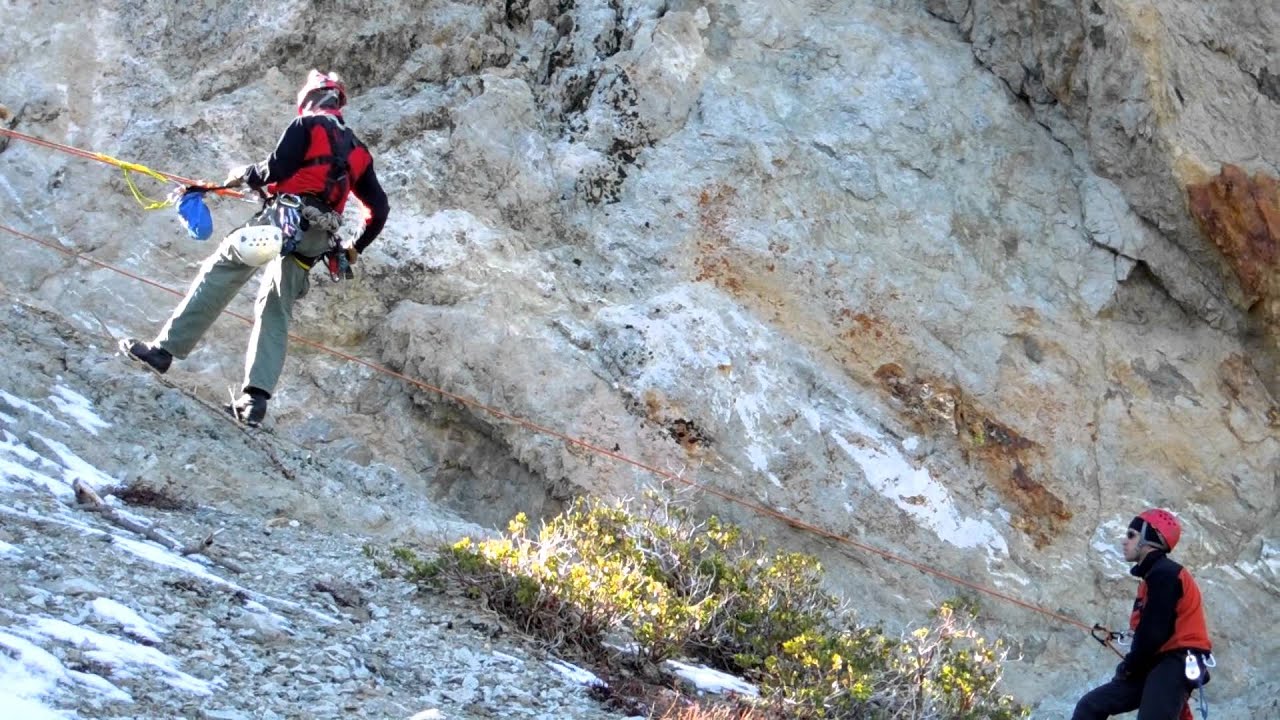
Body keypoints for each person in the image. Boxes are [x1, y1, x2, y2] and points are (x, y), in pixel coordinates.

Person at [122, 70, 390, 426]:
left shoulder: (306, 126)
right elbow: (380, 209)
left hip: (282, 220)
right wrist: (355, 247)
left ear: (309, 100)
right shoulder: (358, 151)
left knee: (225, 266)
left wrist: (243, 174)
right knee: (276, 308)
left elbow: (276, 168)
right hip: (316, 239)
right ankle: (254, 402)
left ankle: (163, 352)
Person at [1072, 509, 1214, 720]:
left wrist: (1129, 667)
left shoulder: (1165, 574)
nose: (1124, 541)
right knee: (1090, 706)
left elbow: (1153, 634)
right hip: (1157, 663)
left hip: (1176, 661)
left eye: (1131, 535)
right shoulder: (1153, 578)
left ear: (1150, 537)